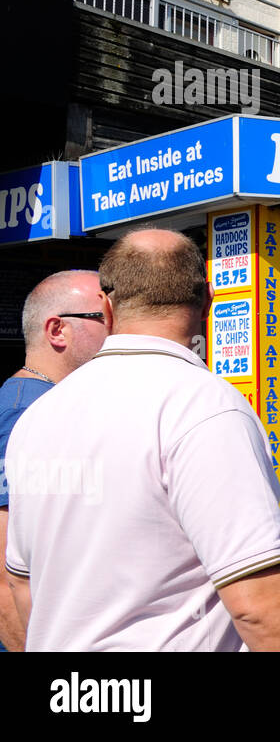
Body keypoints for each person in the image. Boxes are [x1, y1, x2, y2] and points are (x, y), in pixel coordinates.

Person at [4, 230, 280, 651]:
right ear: (208, 301)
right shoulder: (204, 406)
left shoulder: (37, 417)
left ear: (107, 306)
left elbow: (21, 583)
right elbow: (262, 602)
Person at [0, 270, 107, 653]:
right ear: (57, 330)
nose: (122, 330)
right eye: (105, 317)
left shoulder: (54, 404)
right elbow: (4, 575)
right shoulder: (24, 413)